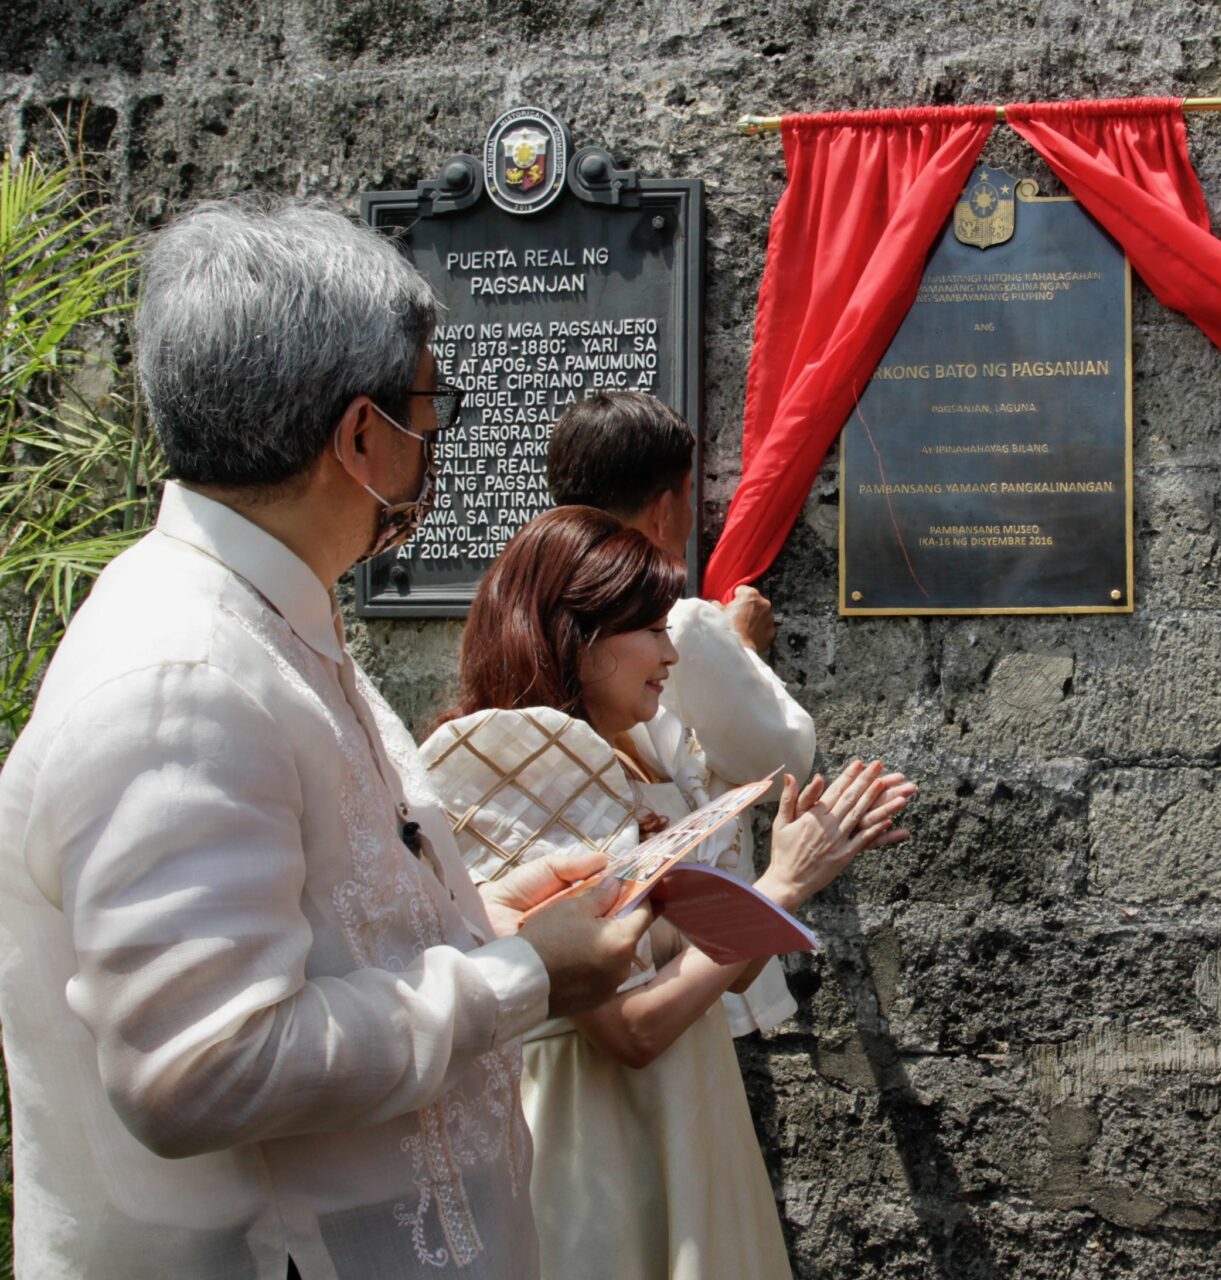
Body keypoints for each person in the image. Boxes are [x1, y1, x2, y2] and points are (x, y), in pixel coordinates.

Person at [0, 201, 654, 1279]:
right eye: (427, 407)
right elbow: (201, 1062)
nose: (432, 445)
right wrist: (519, 979)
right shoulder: (181, 678)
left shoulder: (266, 620)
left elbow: (327, 928)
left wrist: (488, 914)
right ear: (360, 437)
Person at [420, 505, 915, 1280]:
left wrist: (794, 865)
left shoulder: (639, 749)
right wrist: (780, 888)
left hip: (688, 1101)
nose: (669, 653)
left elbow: (732, 969)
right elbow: (630, 1033)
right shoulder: (516, 762)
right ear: (575, 637)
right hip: (603, 1134)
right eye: (648, 629)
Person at [547, 390, 815, 1039]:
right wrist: (741, 647)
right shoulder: (683, 622)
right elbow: (781, 758)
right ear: (667, 508)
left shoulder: (533, 604)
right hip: (684, 958)